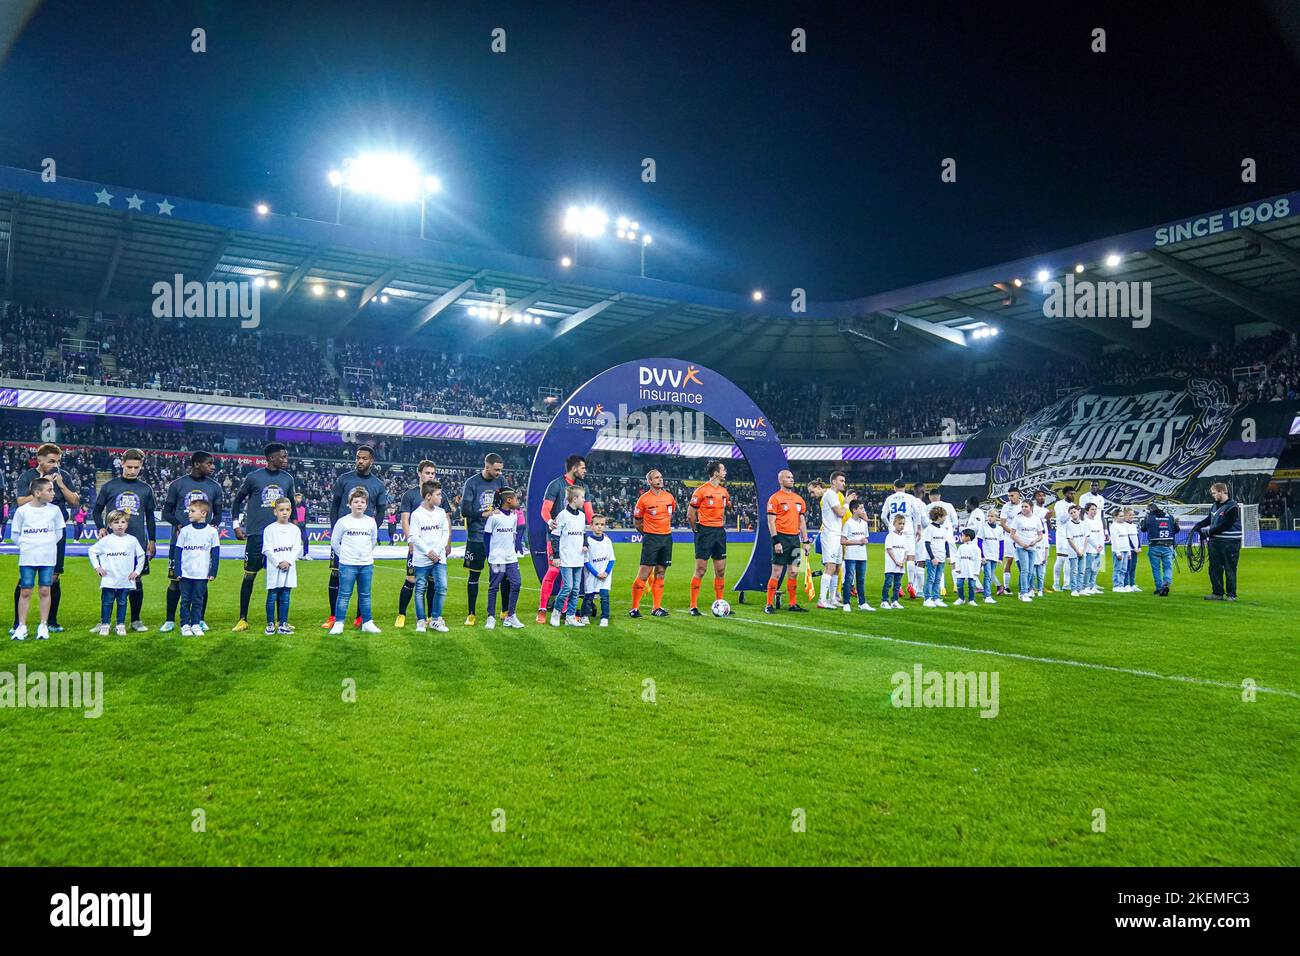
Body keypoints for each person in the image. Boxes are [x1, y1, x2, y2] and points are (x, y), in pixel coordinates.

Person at [11, 442, 79, 635]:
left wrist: (60, 485)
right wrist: (42, 485)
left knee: (54, 577)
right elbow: (20, 501)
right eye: (51, 461)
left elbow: (74, 501)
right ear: (39, 459)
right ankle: (18, 623)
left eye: (57, 461)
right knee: (25, 579)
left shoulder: (63, 475)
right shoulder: (27, 477)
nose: (55, 464)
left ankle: (51, 621)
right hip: (33, 533)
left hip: (55, 531)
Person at [230, 443, 297, 632]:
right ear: (270, 458)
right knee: (249, 577)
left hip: (279, 538)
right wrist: (236, 524)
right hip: (257, 535)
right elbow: (237, 501)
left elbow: (291, 504)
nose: (286, 460)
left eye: (286, 456)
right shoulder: (254, 477)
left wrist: (295, 527)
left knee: (280, 579)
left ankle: (280, 621)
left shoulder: (288, 479)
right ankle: (243, 619)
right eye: (282, 457)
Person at [323, 446, 388, 631]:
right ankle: (334, 616)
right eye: (358, 458)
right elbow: (334, 506)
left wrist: (371, 530)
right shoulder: (344, 479)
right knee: (336, 575)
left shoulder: (377, 484)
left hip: (363, 538)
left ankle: (361, 618)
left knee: (363, 578)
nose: (360, 461)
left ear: (371, 461)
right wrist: (336, 530)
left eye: (364, 458)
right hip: (345, 537)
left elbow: (381, 511)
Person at [92, 448, 157, 632]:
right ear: (122, 463)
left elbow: (150, 517)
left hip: (136, 542)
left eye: (136, 467)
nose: (132, 471)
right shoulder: (110, 486)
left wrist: (151, 540)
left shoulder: (145, 489)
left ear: (141, 466)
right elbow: (97, 510)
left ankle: (135, 620)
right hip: (112, 542)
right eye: (129, 466)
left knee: (136, 580)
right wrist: (101, 527)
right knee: (109, 580)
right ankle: (104, 621)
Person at [161, 451, 223, 633]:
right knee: (175, 581)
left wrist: (212, 526)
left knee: (201, 582)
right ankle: (170, 620)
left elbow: (218, 513)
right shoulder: (177, 485)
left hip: (202, 545)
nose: (212, 467)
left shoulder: (215, 487)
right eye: (209, 463)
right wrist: (178, 524)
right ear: (197, 464)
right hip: (180, 542)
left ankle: (199, 620)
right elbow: (166, 512)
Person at [536, 455, 591, 623]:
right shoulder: (555, 485)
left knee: (571, 580)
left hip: (575, 540)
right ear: (574, 468)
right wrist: (549, 521)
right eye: (582, 468)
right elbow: (545, 510)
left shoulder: (584, 487)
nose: (585, 471)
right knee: (554, 571)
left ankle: (566, 611)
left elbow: (589, 512)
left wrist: (597, 526)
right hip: (557, 538)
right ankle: (543, 609)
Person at [11, 476, 66, 641]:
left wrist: (46, 544)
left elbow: (59, 532)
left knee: (45, 590)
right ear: (37, 492)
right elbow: (15, 535)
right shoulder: (22, 511)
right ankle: (22, 626)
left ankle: (43, 625)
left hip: (48, 557)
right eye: (49, 490)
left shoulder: (54, 510)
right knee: (25, 590)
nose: (53, 493)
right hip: (28, 557)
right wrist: (28, 545)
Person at [462, 453, 507, 626]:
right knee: (474, 576)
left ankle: (503, 611)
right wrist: (486, 513)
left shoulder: (501, 482)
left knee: (501, 575)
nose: (499, 473)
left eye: (500, 470)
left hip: (496, 539)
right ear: (486, 467)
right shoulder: (472, 483)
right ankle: (471, 614)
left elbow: (507, 503)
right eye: (496, 470)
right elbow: (465, 511)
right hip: (477, 538)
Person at [328, 489, 381, 635]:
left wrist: (364, 555)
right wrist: (345, 556)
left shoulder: (371, 522)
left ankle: (367, 622)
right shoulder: (343, 521)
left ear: (366, 505)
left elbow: (373, 541)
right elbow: (334, 542)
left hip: (366, 565)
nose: (359, 504)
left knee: (365, 595)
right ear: (349, 504)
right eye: (356, 502)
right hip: (347, 565)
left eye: (362, 502)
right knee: (344, 594)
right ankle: (339, 623)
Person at [395, 460, 438, 628]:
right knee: (411, 579)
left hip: (433, 547)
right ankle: (401, 614)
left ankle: (428, 616)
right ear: (419, 474)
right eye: (427, 473)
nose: (430, 476)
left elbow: (445, 518)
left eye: (433, 474)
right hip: (417, 545)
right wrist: (410, 540)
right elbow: (405, 519)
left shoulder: (438, 495)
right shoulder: (410, 495)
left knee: (432, 581)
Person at [88, 509, 145, 636]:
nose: (120, 525)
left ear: (127, 524)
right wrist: (97, 567)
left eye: (123, 522)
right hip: (109, 579)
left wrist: (137, 571)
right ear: (109, 525)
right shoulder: (106, 540)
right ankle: (105, 624)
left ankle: (120, 624)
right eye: (116, 522)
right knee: (107, 602)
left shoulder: (132, 540)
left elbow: (141, 555)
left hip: (125, 580)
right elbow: (92, 551)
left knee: (122, 602)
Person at [687, 460, 731, 616]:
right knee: (701, 569)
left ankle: (720, 603)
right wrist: (697, 530)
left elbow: (727, 509)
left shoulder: (724, 492)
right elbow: (690, 514)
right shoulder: (701, 491)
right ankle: (693, 606)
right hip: (704, 532)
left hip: (719, 532)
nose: (725, 472)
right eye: (723, 469)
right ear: (716, 472)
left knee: (720, 570)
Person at [630, 469, 675, 619]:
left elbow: (670, 514)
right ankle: (634, 608)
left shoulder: (669, 497)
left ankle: (656, 607)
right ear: (649, 481)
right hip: (652, 539)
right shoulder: (643, 499)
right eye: (656, 478)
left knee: (661, 572)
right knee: (644, 573)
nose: (660, 480)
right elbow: (637, 522)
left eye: (661, 477)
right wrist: (648, 534)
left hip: (667, 538)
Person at [408, 480, 452, 633]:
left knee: (442, 586)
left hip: (439, 558)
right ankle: (421, 620)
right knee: (420, 588)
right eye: (438, 494)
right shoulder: (417, 515)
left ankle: (435, 619)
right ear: (428, 496)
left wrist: (437, 551)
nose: (441, 498)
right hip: (422, 559)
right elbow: (414, 537)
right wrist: (428, 552)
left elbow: (445, 532)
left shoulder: (440, 513)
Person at [764, 469, 809, 614]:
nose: (791, 479)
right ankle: (769, 604)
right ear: (781, 480)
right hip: (781, 538)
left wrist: (806, 540)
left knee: (794, 572)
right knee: (776, 573)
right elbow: (771, 521)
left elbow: (802, 521)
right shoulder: (774, 499)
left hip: (795, 540)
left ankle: (792, 603)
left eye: (792, 477)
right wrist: (776, 540)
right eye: (788, 477)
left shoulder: (799, 499)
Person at [173, 500, 221, 636]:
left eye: (192, 511)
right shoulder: (185, 531)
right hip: (186, 573)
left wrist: (213, 572)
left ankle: (195, 623)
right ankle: (185, 625)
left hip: (202, 574)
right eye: (189, 511)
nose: (189, 513)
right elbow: (178, 551)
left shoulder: (212, 532)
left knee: (198, 600)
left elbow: (215, 553)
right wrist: (177, 570)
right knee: (185, 600)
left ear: (204, 513)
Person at [1192, 482, 1242, 602]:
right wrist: (1198, 525)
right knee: (1214, 568)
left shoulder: (1233, 506)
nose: (1213, 495)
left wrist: (1209, 532)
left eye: (1214, 493)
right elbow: (1210, 519)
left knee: (1230, 568)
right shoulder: (1215, 506)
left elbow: (1226, 525)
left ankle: (1231, 594)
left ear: (1221, 491)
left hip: (1230, 542)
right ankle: (1217, 593)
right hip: (1215, 542)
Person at [482, 487, 524, 630]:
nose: (517, 501)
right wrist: (489, 556)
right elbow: (486, 537)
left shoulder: (513, 516)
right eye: (516, 499)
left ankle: (510, 616)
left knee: (516, 584)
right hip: (497, 559)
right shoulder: (494, 518)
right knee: (494, 587)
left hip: (511, 559)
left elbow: (512, 536)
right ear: (508, 500)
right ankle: (491, 617)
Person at [880, 478, 925, 602]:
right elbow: (917, 513)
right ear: (905, 487)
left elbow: (883, 515)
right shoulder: (910, 498)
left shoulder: (890, 498)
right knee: (910, 556)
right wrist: (918, 528)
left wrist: (890, 525)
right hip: (908, 529)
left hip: (894, 530)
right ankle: (910, 584)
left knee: (897, 557)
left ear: (894, 487)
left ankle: (898, 586)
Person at [261, 497, 301, 634]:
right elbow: (267, 549)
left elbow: (297, 548)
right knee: (272, 595)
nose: (285, 512)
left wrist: (288, 561)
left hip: (289, 568)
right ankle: (270, 624)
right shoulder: (269, 529)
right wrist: (279, 562)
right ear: (275, 512)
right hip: (274, 568)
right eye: (281, 510)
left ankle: (283, 623)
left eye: (287, 510)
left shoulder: (295, 529)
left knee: (285, 596)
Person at [553, 485, 589, 627]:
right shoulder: (562, 515)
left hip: (578, 558)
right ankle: (556, 612)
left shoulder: (582, 516)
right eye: (582, 497)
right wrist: (556, 556)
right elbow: (555, 536)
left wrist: (585, 544)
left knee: (575, 589)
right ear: (574, 499)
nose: (584, 500)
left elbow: (583, 533)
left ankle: (571, 616)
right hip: (566, 557)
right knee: (567, 587)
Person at [816, 472, 853, 610]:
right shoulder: (831, 494)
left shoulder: (835, 496)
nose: (844, 483)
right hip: (830, 535)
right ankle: (822, 599)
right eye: (841, 480)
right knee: (830, 567)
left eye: (844, 480)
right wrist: (847, 502)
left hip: (836, 534)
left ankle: (832, 599)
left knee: (837, 568)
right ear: (833, 482)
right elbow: (841, 513)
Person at [1002, 500, 1042, 603]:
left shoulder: (1036, 519)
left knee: (1030, 571)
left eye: (1026, 506)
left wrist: (1035, 541)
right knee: (1024, 570)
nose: (1023, 508)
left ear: (1031, 507)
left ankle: (1024, 591)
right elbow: (1012, 534)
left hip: (1032, 548)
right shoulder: (1018, 518)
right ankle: (1024, 593)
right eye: (1022, 506)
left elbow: (1040, 535)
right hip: (1021, 547)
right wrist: (1021, 543)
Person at [839, 498, 873, 612]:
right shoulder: (848, 524)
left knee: (861, 579)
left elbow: (865, 537)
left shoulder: (864, 524)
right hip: (851, 556)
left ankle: (862, 602)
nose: (863, 510)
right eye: (861, 508)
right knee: (849, 579)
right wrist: (858, 542)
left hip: (862, 555)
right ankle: (846, 603)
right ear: (854, 510)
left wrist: (864, 541)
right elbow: (843, 541)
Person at [581, 514, 615, 627]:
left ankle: (604, 617)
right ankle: (584, 616)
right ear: (591, 526)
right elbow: (586, 562)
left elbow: (611, 559)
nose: (599, 527)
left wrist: (606, 572)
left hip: (605, 575)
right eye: (597, 524)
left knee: (604, 596)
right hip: (592, 575)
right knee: (589, 596)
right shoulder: (588, 542)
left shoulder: (607, 541)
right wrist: (596, 573)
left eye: (602, 524)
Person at [1141, 501, 1177, 597]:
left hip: (1154, 545)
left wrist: (1145, 519)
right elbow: (1177, 530)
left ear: (1149, 510)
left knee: (1156, 568)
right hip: (1168, 545)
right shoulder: (1169, 516)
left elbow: (1143, 529)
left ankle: (1158, 587)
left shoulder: (1149, 517)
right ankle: (1166, 583)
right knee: (1168, 567)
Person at [921, 505, 951, 607]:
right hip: (932, 559)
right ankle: (927, 599)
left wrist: (948, 556)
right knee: (930, 578)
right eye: (944, 516)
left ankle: (936, 598)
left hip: (942, 558)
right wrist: (932, 557)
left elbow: (946, 543)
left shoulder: (943, 529)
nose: (945, 518)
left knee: (938, 579)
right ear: (939, 516)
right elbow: (927, 544)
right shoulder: (929, 528)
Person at [998, 486, 1024, 595]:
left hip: (1023, 537)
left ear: (1018, 495)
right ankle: (1007, 587)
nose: (1010, 498)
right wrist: (1013, 533)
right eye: (1009, 495)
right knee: (1009, 560)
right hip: (1009, 537)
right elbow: (1003, 523)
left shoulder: (1024, 505)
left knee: (1023, 562)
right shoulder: (1006, 507)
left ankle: (1025, 585)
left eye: (1012, 495)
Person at [881, 514, 908, 610]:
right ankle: (884, 601)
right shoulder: (890, 536)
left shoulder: (904, 537)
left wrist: (903, 561)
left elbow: (906, 550)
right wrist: (896, 561)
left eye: (903, 524)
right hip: (891, 565)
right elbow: (889, 549)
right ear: (894, 524)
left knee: (897, 585)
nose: (901, 525)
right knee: (888, 583)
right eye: (899, 523)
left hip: (900, 566)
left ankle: (895, 601)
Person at [976, 507, 1003, 605]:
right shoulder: (983, 527)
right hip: (986, 556)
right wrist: (982, 556)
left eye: (992, 516)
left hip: (994, 556)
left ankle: (988, 594)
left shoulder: (999, 529)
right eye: (988, 516)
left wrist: (1000, 557)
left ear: (996, 517)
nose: (989, 518)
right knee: (987, 575)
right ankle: (987, 596)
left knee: (991, 575)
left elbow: (1001, 543)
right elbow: (979, 542)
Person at [1062, 504, 1089, 596]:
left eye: (1074, 512)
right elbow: (1070, 539)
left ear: (1079, 511)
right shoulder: (1069, 525)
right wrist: (1078, 551)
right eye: (1071, 513)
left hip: (1083, 551)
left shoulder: (1084, 524)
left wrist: (1083, 550)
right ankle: (1074, 589)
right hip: (1073, 552)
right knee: (1074, 571)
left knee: (1082, 571)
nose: (1073, 514)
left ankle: (1080, 588)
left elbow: (1086, 538)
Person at [1082, 502, 1106, 595]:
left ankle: (1092, 586)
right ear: (1087, 511)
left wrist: (1101, 546)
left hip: (1099, 549)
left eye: (1095, 509)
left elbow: (1100, 535)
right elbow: (1087, 536)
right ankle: (1086, 586)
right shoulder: (1085, 522)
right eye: (1092, 509)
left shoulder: (1098, 521)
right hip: (1090, 549)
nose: (1094, 511)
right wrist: (1096, 545)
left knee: (1096, 568)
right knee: (1088, 568)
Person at [1111, 508, 1135, 593]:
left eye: (1123, 516)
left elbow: (1127, 539)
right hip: (1119, 550)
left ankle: (1121, 585)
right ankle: (1116, 586)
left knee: (1124, 569)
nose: (1122, 517)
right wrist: (1117, 552)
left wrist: (1129, 552)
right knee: (1117, 568)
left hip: (1125, 549)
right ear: (1115, 517)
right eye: (1120, 516)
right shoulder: (1113, 526)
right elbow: (1115, 540)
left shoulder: (1124, 525)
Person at [955, 528, 981, 607]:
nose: (961, 537)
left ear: (968, 537)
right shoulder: (961, 547)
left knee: (972, 585)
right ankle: (961, 599)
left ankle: (971, 600)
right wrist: (958, 568)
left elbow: (978, 560)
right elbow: (958, 558)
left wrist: (976, 571)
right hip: (962, 569)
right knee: (959, 584)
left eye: (963, 535)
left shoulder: (976, 548)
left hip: (971, 570)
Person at [294, 494, 309, 558]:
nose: (299, 499)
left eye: (300, 498)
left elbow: (307, 515)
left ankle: (305, 554)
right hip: (295, 526)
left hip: (302, 526)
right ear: (295, 498)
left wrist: (305, 522)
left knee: (305, 540)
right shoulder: (293, 507)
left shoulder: (304, 507)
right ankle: (294, 555)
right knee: (295, 541)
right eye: (298, 498)